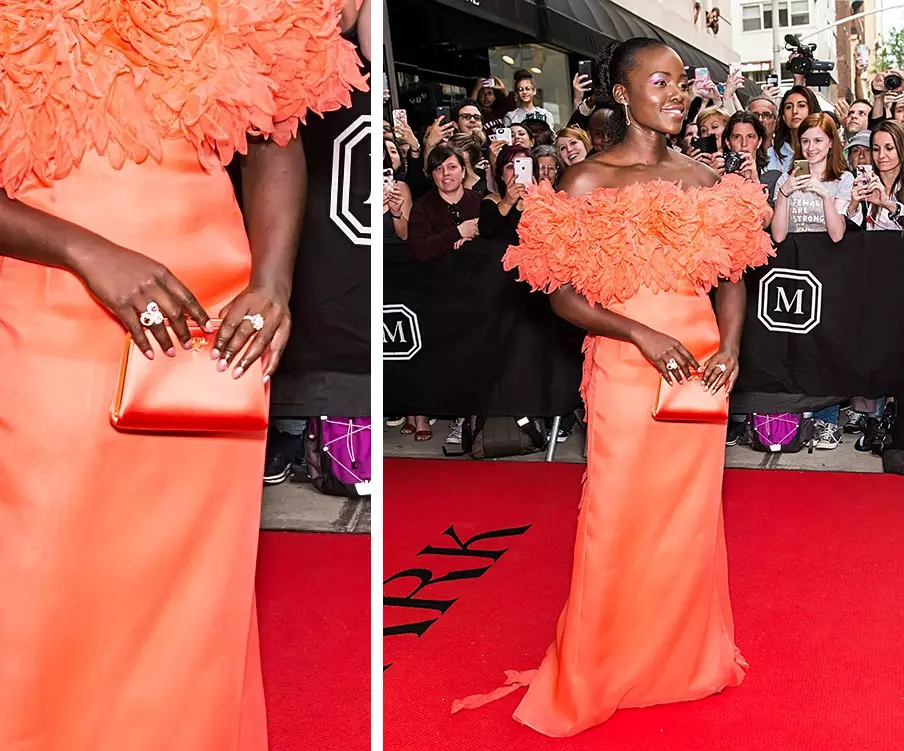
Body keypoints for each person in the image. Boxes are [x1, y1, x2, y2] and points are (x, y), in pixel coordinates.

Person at [0, 2, 367, 749]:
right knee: (41, 568)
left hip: (211, 321)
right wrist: (87, 251)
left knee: (189, 584)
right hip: (51, 306)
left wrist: (271, 284)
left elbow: (276, 140)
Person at [454, 37, 773, 736]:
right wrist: (639, 333)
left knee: (686, 524)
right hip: (628, 372)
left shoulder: (704, 177)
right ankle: (600, 666)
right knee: (616, 518)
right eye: (660, 82)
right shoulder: (585, 182)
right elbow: (563, 297)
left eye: (682, 83)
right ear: (622, 94)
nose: (677, 94)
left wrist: (734, 349)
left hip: (697, 374)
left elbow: (735, 275)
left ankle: (679, 662)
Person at [772, 112, 852, 449]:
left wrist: (823, 195)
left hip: (829, 274)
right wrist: (784, 194)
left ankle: (828, 421)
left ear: (831, 143)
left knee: (827, 347)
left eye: (818, 140)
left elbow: (837, 234)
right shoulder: (784, 180)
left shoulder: (843, 180)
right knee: (795, 347)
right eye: (805, 140)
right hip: (792, 275)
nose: (811, 147)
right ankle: (798, 415)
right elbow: (778, 234)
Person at [723, 110, 782, 206]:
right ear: (728, 143)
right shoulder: (718, 176)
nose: (744, 144)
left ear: (759, 142)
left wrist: (755, 182)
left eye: (750, 137)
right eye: (737, 137)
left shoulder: (774, 178)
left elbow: (768, 220)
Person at [768, 86, 821, 172]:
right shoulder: (771, 155)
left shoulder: (823, 151)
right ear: (783, 116)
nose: (795, 111)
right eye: (788, 107)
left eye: (801, 105)